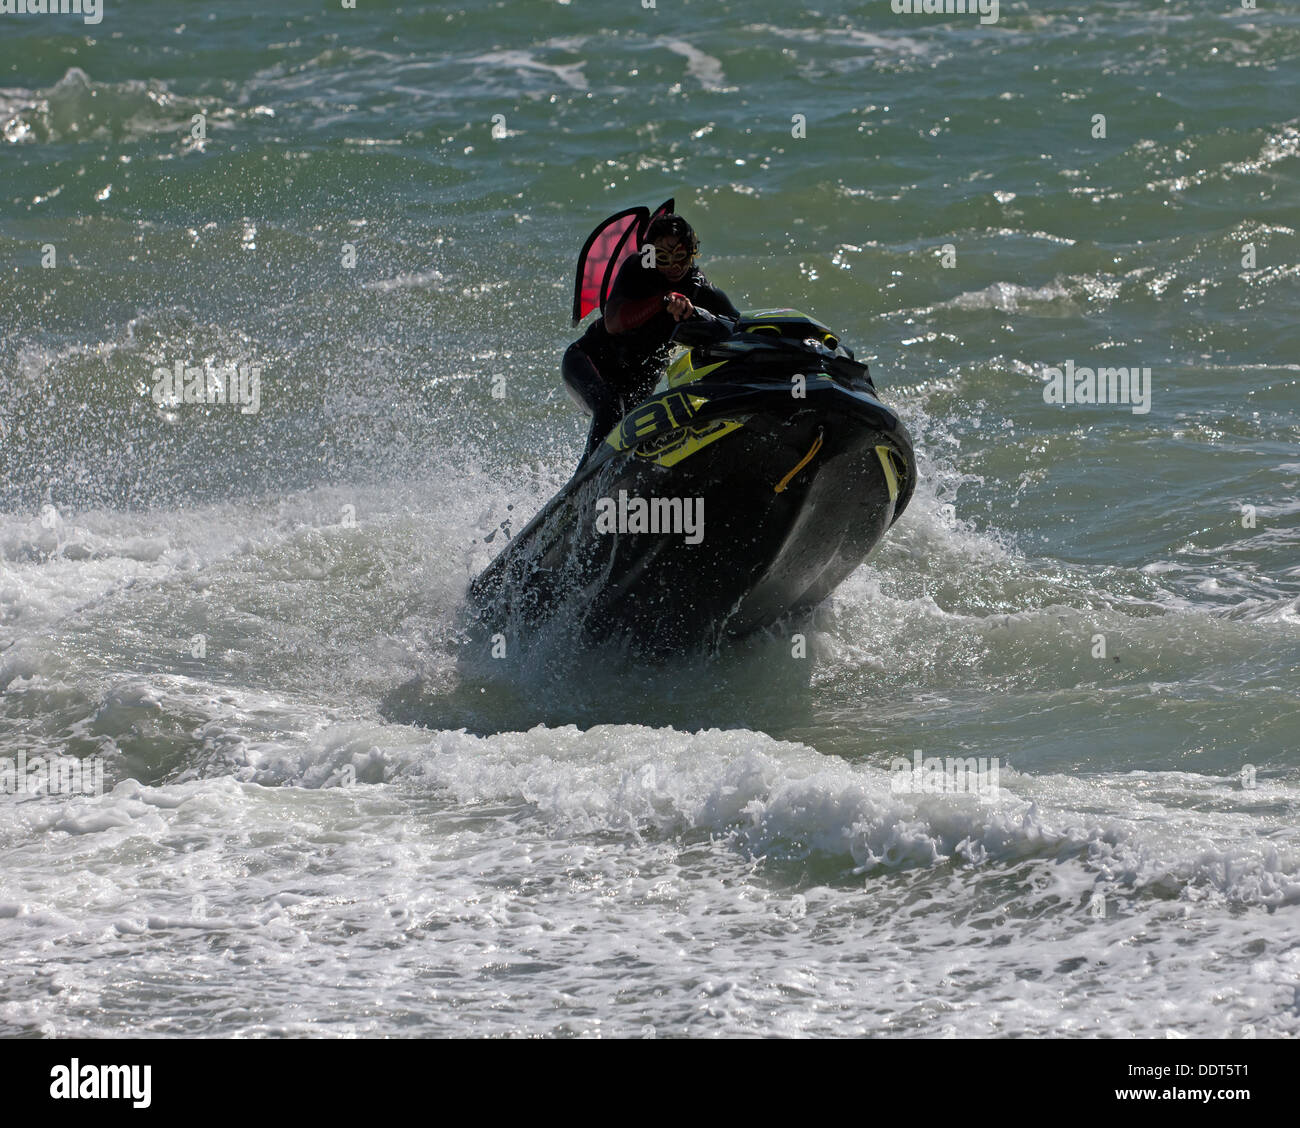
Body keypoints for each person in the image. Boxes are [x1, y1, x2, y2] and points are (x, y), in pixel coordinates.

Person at [562, 214, 740, 465]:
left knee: (643, 433)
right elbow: (613, 323)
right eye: (663, 258)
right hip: (588, 362)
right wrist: (662, 300)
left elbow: (738, 329)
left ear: (693, 253)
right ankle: (583, 480)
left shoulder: (699, 290)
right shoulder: (637, 270)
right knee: (611, 407)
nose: (673, 267)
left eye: (681, 257)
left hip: (636, 384)